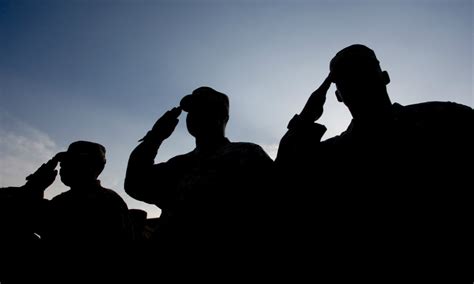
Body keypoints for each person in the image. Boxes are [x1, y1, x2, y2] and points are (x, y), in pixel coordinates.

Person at [275, 44, 473, 277]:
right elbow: (282, 183)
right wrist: (306, 117)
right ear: (338, 95)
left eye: (363, 71)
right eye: (348, 78)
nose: (358, 81)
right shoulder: (333, 155)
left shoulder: (444, 119)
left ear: (384, 77)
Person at [125, 86, 274, 255]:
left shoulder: (247, 154)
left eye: (203, 109)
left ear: (222, 116)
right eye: (192, 111)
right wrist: (155, 137)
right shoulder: (178, 164)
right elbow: (135, 183)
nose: (195, 115)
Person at [9, 140, 133, 241]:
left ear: (87, 167)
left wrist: (37, 183)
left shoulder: (96, 201)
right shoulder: (66, 199)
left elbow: (24, 213)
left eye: (68, 162)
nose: (61, 167)